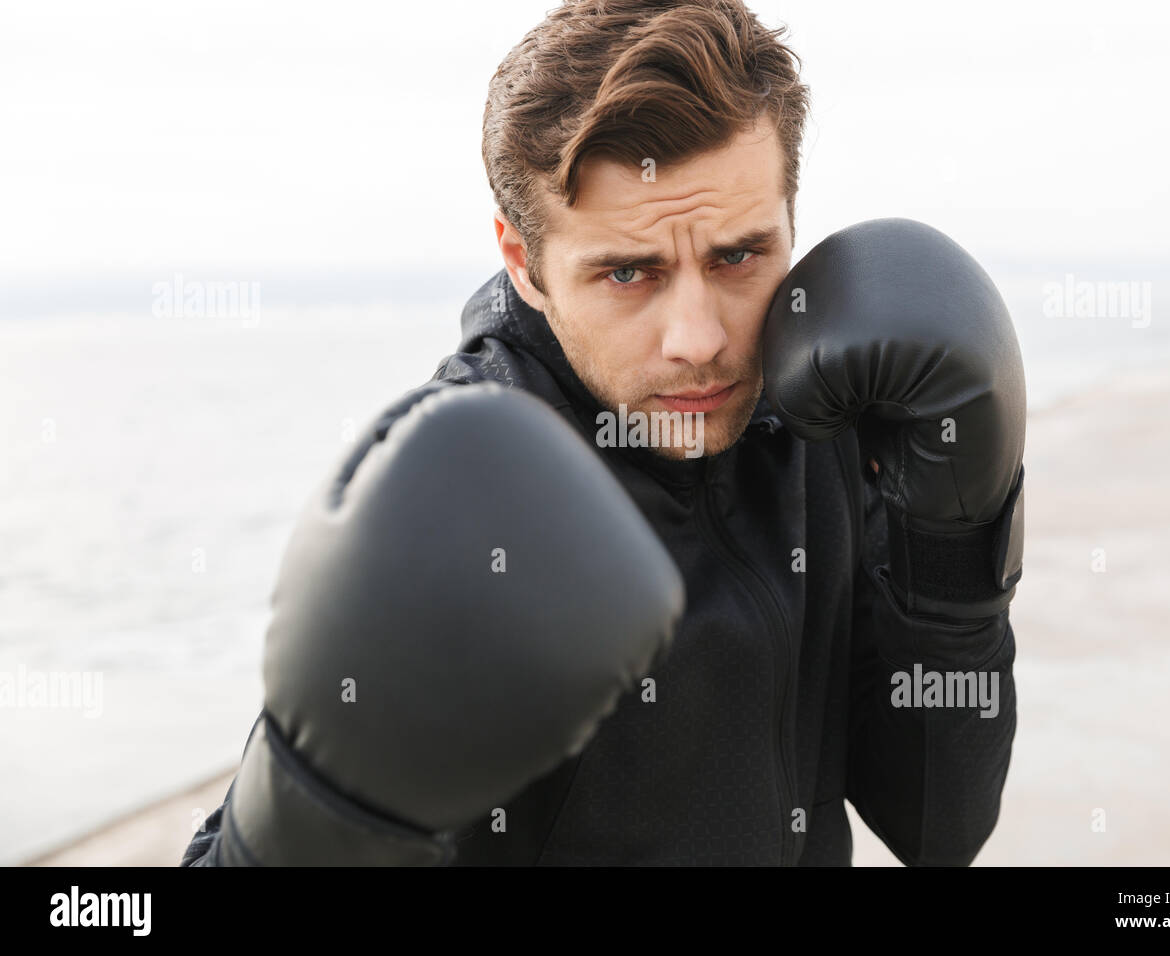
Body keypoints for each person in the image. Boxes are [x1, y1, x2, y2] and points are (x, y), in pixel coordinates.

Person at [181, 0, 1023, 867]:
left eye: (738, 256)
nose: (700, 340)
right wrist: (315, 812)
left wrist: (956, 546)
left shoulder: (823, 405)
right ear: (524, 262)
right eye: (629, 272)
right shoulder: (478, 504)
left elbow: (937, 824)